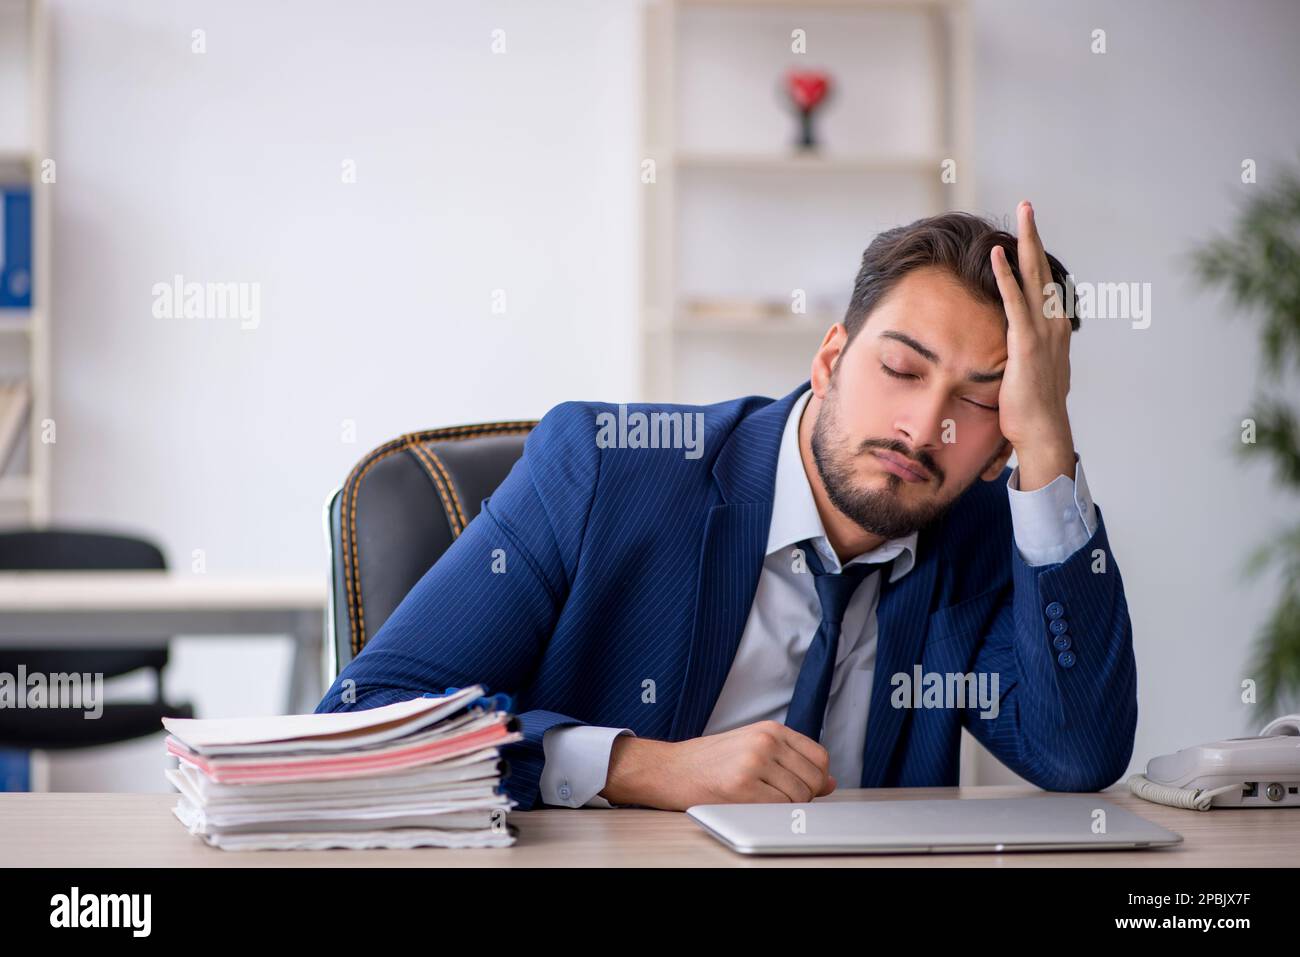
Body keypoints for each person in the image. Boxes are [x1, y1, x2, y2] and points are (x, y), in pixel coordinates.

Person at [316, 201, 1137, 812]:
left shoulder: (992, 534)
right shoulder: (602, 469)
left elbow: (1076, 754)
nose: (924, 427)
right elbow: (362, 724)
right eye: (902, 368)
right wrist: (641, 766)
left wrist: (1049, 449)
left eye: (981, 401)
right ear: (830, 358)